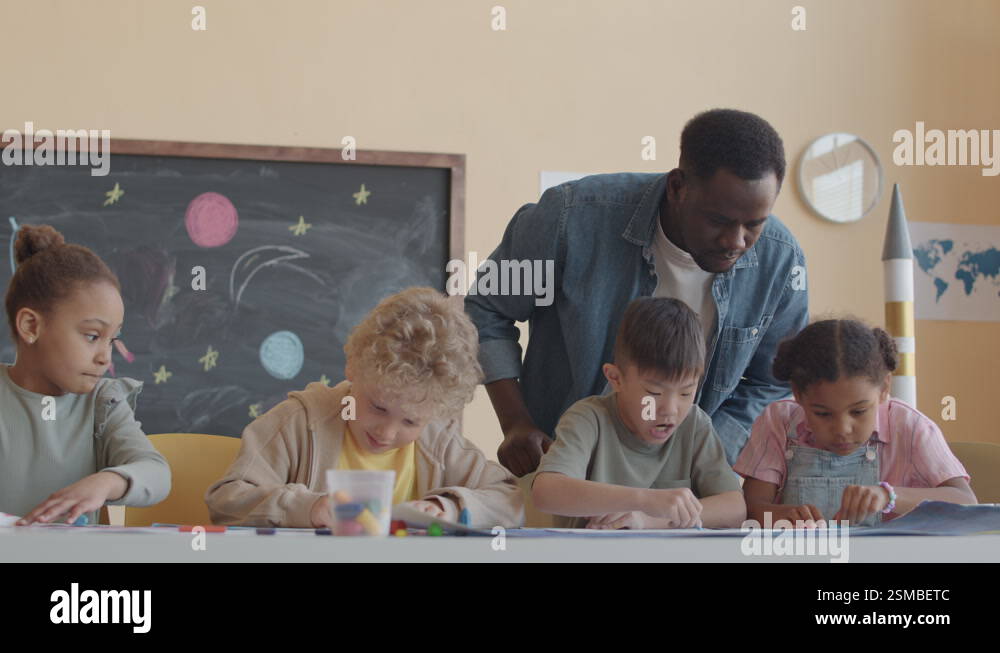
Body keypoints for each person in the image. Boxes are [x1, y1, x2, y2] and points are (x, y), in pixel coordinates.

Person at [466, 108, 808, 474]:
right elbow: (485, 311)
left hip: (680, 492)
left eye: (754, 224)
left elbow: (771, 380)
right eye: (718, 221)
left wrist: (706, 454)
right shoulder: (570, 218)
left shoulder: (781, 260)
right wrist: (515, 422)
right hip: (560, 468)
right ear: (677, 187)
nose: (735, 241)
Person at [206, 287, 524, 529]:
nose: (386, 432)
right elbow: (225, 501)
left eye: (411, 421)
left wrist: (451, 507)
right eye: (377, 407)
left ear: (436, 413)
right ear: (353, 368)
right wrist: (310, 508)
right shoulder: (301, 421)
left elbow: (511, 500)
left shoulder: (439, 441)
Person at [2, 224, 170, 525]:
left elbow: (156, 472)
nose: (105, 357)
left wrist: (106, 483)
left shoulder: (103, 403)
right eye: (92, 336)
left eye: (112, 339)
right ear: (30, 326)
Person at [735, 318, 976, 527]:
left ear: (884, 388)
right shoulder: (779, 421)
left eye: (859, 411)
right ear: (798, 395)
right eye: (822, 413)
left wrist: (888, 496)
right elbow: (751, 507)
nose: (842, 429)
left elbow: (965, 501)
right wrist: (778, 514)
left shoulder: (909, 426)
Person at [532, 297, 745, 529]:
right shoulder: (588, 418)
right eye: (653, 392)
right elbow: (546, 491)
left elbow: (735, 508)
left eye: (686, 393)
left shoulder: (695, 424)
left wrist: (649, 520)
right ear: (615, 378)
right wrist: (644, 500)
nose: (670, 411)